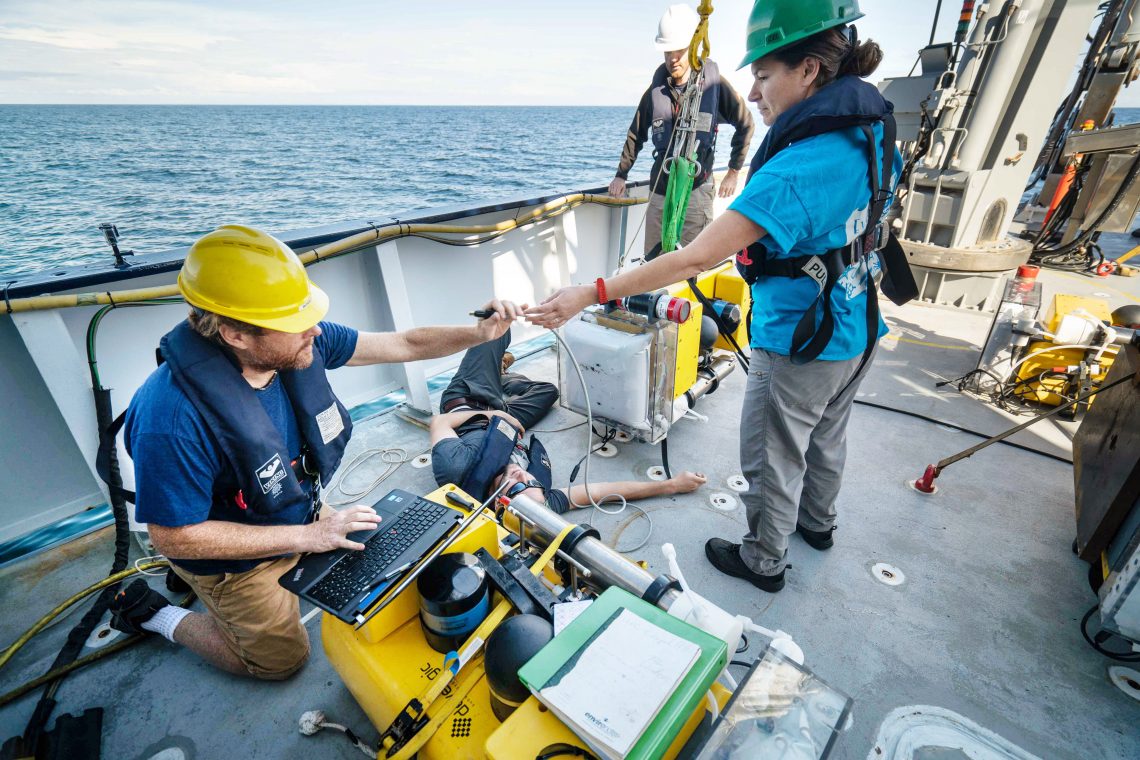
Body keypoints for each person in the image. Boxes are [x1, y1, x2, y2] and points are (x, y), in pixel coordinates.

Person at [529, 0, 901, 594]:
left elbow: (696, 256)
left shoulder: (797, 168)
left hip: (801, 339)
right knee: (827, 436)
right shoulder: (873, 129)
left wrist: (591, 292)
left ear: (808, 70)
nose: (752, 93)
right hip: (859, 325)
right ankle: (818, 526)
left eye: (763, 74)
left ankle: (763, 560)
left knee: (774, 456)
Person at [108, 224, 523, 679]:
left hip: (293, 508)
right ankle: (158, 613)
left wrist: (479, 334)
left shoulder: (297, 343)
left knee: (390, 564)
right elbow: (173, 537)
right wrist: (309, 538)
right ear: (235, 335)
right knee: (279, 664)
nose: (316, 330)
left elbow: (405, 343)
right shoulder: (171, 419)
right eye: (295, 324)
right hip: (235, 557)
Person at [429, 327, 706, 512]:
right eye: (533, 483)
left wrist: (492, 413)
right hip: (507, 421)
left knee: (497, 327)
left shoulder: (456, 470)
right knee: (549, 392)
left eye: (519, 486)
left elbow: (439, 423)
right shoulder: (537, 503)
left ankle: (494, 376)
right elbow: (598, 492)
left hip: (468, 402)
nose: (525, 476)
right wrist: (670, 485)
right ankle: (501, 380)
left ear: (499, 504)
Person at [609, 4, 755, 257]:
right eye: (667, 51)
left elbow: (746, 124)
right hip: (660, 188)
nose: (672, 58)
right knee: (653, 261)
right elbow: (636, 134)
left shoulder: (714, 86)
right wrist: (621, 174)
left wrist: (733, 171)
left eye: (679, 50)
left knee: (691, 260)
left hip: (696, 187)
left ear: (693, 45)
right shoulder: (656, 92)